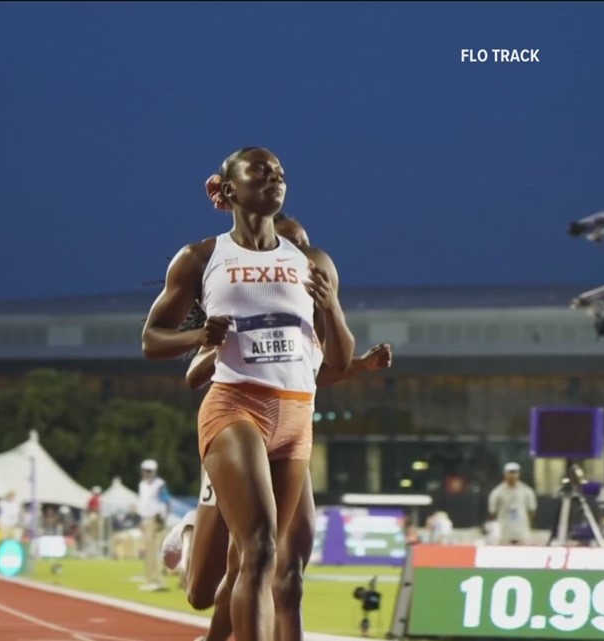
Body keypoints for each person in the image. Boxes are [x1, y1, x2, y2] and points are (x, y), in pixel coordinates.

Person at [142, 147, 354, 641]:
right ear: (229, 189)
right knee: (258, 547)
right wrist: (199, 337)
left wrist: (333, 308)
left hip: (297, 416)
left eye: (279, 171)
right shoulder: (201, 257)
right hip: (236, 406)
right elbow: (152, 339)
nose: (274, 177)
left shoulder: (312, 260)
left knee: (266, 559)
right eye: (259, 170)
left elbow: (339, 363)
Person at [161, 211, 391, 641]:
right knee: (201, 591)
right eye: (294, 244)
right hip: (237, 431)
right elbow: (194, 377)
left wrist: (357, 362)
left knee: (279, 568)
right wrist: (229, 343)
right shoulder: (238, 301)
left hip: (290, 434)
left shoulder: (304, 311)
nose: (301, 254)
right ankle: (190, 533)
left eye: (304, 245)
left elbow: (318, 370)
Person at [137, 459, 172, 591]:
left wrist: (163, 517)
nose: (147, 473)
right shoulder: (142, 484)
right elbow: (143, 503)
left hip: (155, 519)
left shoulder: (159, 484)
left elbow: (166, 501)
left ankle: (155, 580)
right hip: (146, 519)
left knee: (153, 551)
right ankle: (151, 579)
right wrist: (140, 519)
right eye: (145, 470)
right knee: (148, 551)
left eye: (149, 471)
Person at [486, 462, 537, 545]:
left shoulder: (527, 491)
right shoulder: (497, 492)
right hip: (504, 533)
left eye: (515, 473)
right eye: (510, 473)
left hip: (522, 532)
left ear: (518, 474)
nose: (512, 475)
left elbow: (531, 510)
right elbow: (492, 512)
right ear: (505, 474)